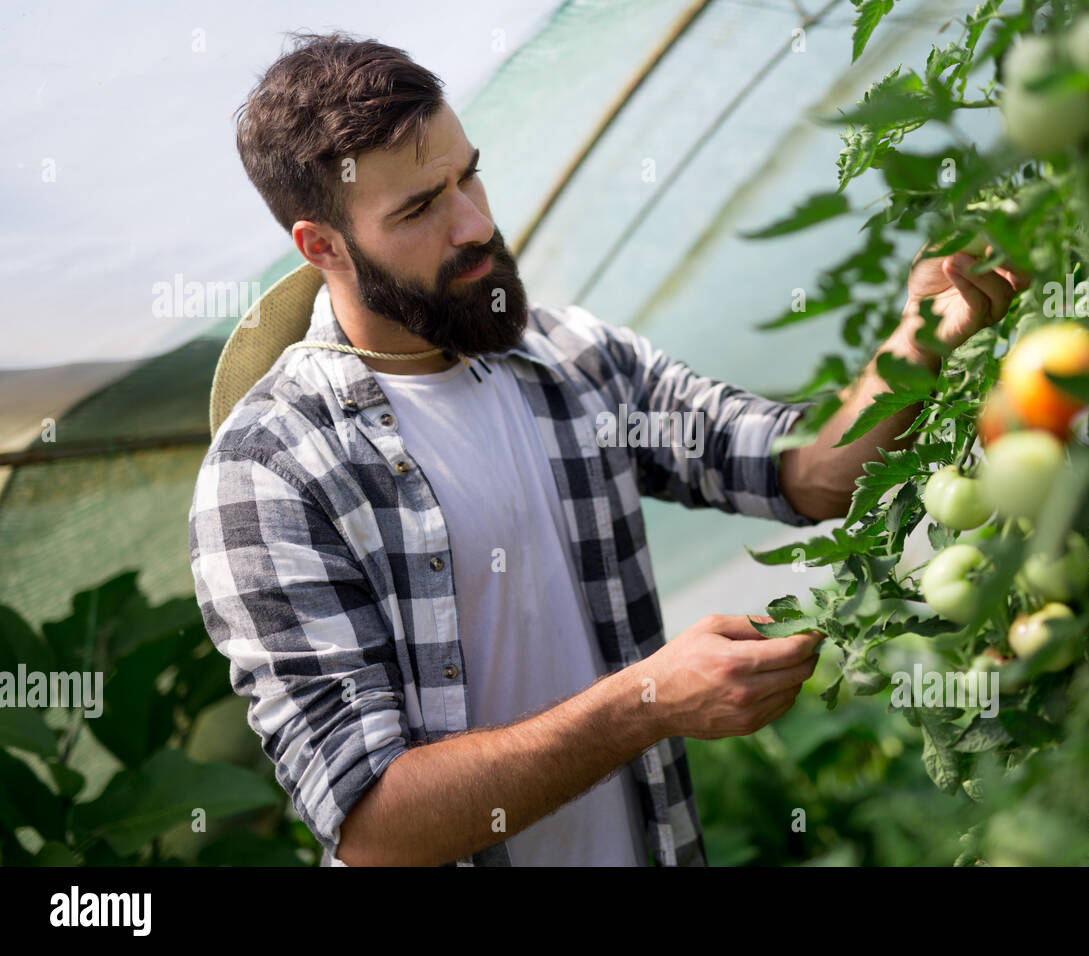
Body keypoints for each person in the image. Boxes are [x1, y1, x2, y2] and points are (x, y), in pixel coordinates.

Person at [188, 32, 1028, 867]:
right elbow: (375, 823)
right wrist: (649, 699)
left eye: (467, 174)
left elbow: (806, 472)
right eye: (418, 209)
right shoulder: (271, 470)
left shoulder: (572, 361)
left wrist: (921, 337)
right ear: (322, 247)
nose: (475, 224)